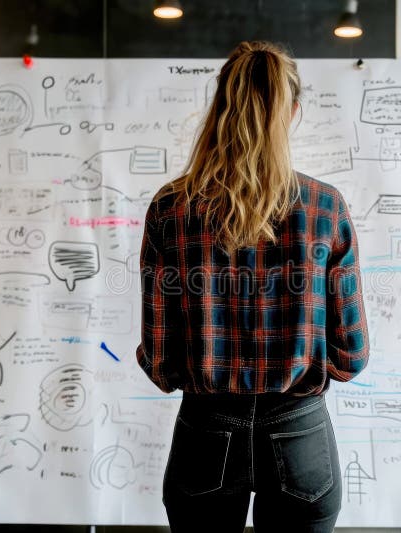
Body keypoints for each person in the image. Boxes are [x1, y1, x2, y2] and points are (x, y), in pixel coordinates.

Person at [136, 40, 370, 533]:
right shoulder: (325, 207)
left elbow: (160, 361)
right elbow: (351, 355)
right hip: (300, 432)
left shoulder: (170, 208)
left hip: (206, 433)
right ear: (292, 112)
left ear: (219, 109)